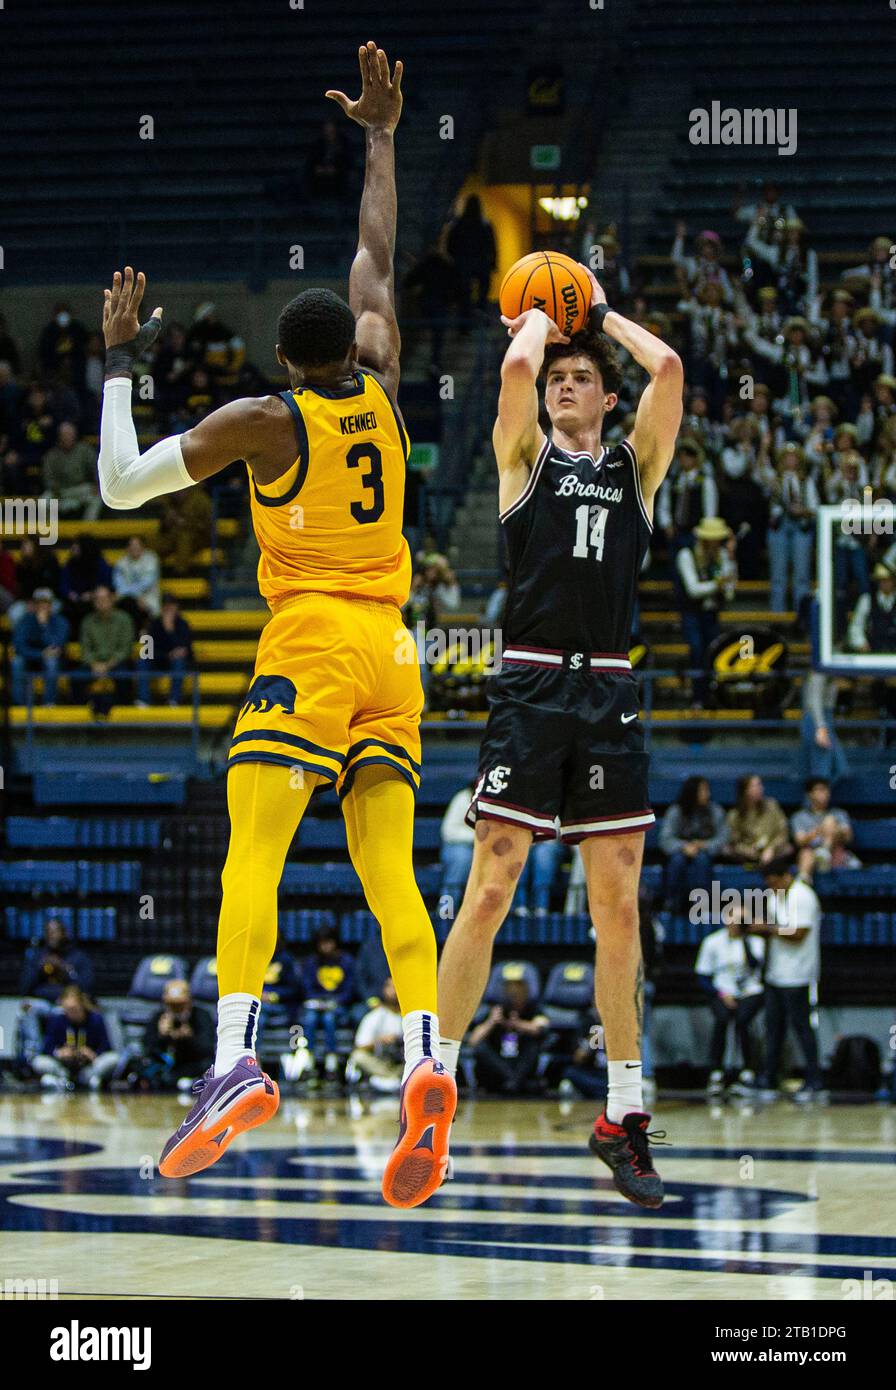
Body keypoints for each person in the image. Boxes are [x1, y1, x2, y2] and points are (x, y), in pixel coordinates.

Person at [95, 45, 455, 1206]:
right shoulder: (387, 374)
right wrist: (385, 136)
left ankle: (230, 1058)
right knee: (389, 874)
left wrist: (116, 364)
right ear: (349, 346)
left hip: (305, 641)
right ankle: (424, 1060)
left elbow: (117, 486)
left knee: (255, 850)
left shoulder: (261, 419)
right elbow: (374, 252)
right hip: (397, 653)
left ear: (280, 363)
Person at [436, 253, 684, 1209]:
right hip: (533, 686)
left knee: (616, 911)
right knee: (492, 882)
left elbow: (667, 372)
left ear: (605, 398)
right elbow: (511, 374)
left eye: (581, 378)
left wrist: (601, 312)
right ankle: (439, 1084)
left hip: (612, 692)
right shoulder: (522, 459)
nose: (564, 383)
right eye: (558, 379)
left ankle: (622, 1118)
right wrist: (536, 315)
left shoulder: (636, 464)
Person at [751, 855, 825, 1103]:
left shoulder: (803, 896)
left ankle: (814, 1079)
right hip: (776, 973)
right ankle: (769, 1078)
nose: (772, 888)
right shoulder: (774, 897)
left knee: (802, 1028)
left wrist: (768, 929)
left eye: (774, 882)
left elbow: (799, 933)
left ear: (786, 876)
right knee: (774, 1029)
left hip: (798, 974)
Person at [695, 906, 764, 1098]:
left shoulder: (756, 943)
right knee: (722, 1019)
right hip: (721, 991)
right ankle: (716, 1071)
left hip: (750, 991)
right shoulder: (713, 942)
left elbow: (755, 965)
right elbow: (702, 975)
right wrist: (721, 993)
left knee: (743, 1021)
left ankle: (747, 1071)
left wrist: (744, 939)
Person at [674, 515, 737, 704]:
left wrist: (732, 566)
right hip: (691, 613)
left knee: (713, 652)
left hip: (711, 613)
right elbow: (693, 590)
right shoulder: (686, 555)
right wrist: (717, 585)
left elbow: (729, 594)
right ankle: (697, 697)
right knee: (697, 649)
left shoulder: (723, 556)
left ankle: (710, 696)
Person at [659, 775, 727, 912]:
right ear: (692, 792)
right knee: (677, 860)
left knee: (701, 859)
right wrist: (684, 846)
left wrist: (704, 845)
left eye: (707, 790)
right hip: (681, 853)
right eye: (703, 790)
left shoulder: (715, 811)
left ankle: (702, 904)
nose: (707, 794)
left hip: (706, 854)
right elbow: (665, 839)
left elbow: (723, 839)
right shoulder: (676, 811)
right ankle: (672, 902)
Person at [469, 979, 548, 1095]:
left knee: (534, 1045)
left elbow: (541, 1027)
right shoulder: (496, 1010)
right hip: (498, 1066)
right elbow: (473, 1041)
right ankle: (513, 1080)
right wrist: (492, 1021)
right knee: (481, 1048)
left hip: (520, 1064)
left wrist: (518, 1024)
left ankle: (512, 1082)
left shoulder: (532, 1009)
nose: (515, 999)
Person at [32, 985, 118, 1092]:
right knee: (39, 1062)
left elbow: (106, 1046)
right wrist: (59, 1053)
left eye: (74, 1009)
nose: (71, 1013)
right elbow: (46, 1048)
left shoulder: (95, 1019)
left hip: (88, 1066)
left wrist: (92, 1054)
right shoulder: (57, 1019)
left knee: (113, 1058)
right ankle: (63, 1078)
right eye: (67, 1009)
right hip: (63, 1066)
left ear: (82, 1005)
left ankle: (84, 1079)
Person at [140, 980, 216, 1091]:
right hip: (166, 1070)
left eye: (180, 1005)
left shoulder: (201, 1016)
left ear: (189, 1002)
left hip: (193, 1066)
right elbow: (147, 1049)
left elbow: (208, 1049)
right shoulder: (158, 1017)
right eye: (172, 1005)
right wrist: (162, 1036)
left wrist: (189, 1037)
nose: (176, 1010)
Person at [299, 926, 355, 1077]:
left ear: (335, 942)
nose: (326, 946)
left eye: (329, 942)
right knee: (310, 1018)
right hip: (316, 1003)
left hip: (339, 1004)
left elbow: (349, 990)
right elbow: (306, 988)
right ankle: (308, 1060)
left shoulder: (346, 961)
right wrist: (318, 1001)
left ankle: (331, 1061)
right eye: (322, 943)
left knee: (329, 1018)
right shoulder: (311, 962)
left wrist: (334, 1001)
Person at [77, 585, 135, 712]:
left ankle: (122, 710)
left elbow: (125, 649)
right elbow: (85, 649)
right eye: (97, 599)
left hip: (116, 663)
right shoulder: (87, 621)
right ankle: (81, 712)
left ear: (112, 599)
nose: (101, 602)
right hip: (94, 664)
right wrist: (94, 664)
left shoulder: (124, 619)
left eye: (104, 598)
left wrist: (107, 665)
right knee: (77, 677)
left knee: (124, 675)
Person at [790, 777, 859, 876]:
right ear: (810, 794)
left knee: (829, 821)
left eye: (826, 790)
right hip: (811, 853)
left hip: (835, 853)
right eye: (820, 790)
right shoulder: (799, 817)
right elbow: (799, 840)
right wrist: (818, 832)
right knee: (806, 854)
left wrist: (833, 830)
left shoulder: (839, 814)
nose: (825, 793)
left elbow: (848, 836)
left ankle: (824, 851)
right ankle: (803, 884)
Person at [11, 589, 69, 706]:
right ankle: (19, 705)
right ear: (34, 605)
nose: (42, 606)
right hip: (30, 658)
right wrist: (40, 654)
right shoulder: (25, 620)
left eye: (46, 603)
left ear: (52, 605)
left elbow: (56, 646)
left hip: (52, 660)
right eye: (39, 603)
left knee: (51, 662)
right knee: (16, 662)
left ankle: (49, 704)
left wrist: (44, 626)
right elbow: (19, 647)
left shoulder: (61, 621)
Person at [347, 977, 404, 1092]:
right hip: (380, 1061)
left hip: (403, 1063)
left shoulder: (409, 1016)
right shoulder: (374, 1016)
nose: (394, 991)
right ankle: (391, 1080)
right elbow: (360, 1046)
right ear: (383, 989)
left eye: (397, 987)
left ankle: (385, 1081)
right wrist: (379, 1041)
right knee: (358, 1056)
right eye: (390, 987)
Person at [135, 595, 194, 706]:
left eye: (171, 606)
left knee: (179, 661)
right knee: (142, 660)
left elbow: (187, 650)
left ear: (177, 607)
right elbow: (149, 650)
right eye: (166, 606)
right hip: (159, 660)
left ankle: (174, 699)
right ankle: (144, 699)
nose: (168, 609)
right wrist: (168, 655)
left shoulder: (183, 625)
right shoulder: (154, 624)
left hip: (177, 663)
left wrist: (170, 630)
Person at [723, 773, 791, 867]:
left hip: (772, 852)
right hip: (747, 854)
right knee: (727, 851)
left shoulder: (772, 806)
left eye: (760, 785)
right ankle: (750, 868)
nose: (761, 789)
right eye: (756, 786)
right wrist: (746, 849)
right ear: (745, 790)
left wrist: (771, 848)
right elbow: (733, 840)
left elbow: (783, 833)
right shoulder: (735, 815)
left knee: (787, 849)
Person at [41, 421, 102, 519]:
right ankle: (51, 532)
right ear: (59, 436)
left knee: (96, 498)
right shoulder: (52, 455)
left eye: (70, 434)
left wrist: (96, 485)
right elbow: (48, 478)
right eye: (64, 435)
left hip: (80, 489)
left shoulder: (85, 450)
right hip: (60, 491)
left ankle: (87, 531)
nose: (68, 437)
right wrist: (57, 490)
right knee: (43, 501)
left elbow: (96, 469)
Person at [440, 782, 476, 922]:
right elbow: (449, 831)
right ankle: (445, 911)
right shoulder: (462, 799)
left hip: (480, 847)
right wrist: (476, 838)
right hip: (456, 845)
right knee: (461, 860)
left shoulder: (496, 801)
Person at [113, 534, 161, 626]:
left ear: (143, 547)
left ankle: (145, 634)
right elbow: (118, 583)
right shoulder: (121, 562)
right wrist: (135, 598)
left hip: (148, 597)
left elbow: (148, 582)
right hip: (127, 598)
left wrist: (134, 596)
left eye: (137, 545)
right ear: (127, 548)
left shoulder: (152, 559)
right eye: (131, 545)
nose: (134, 548)